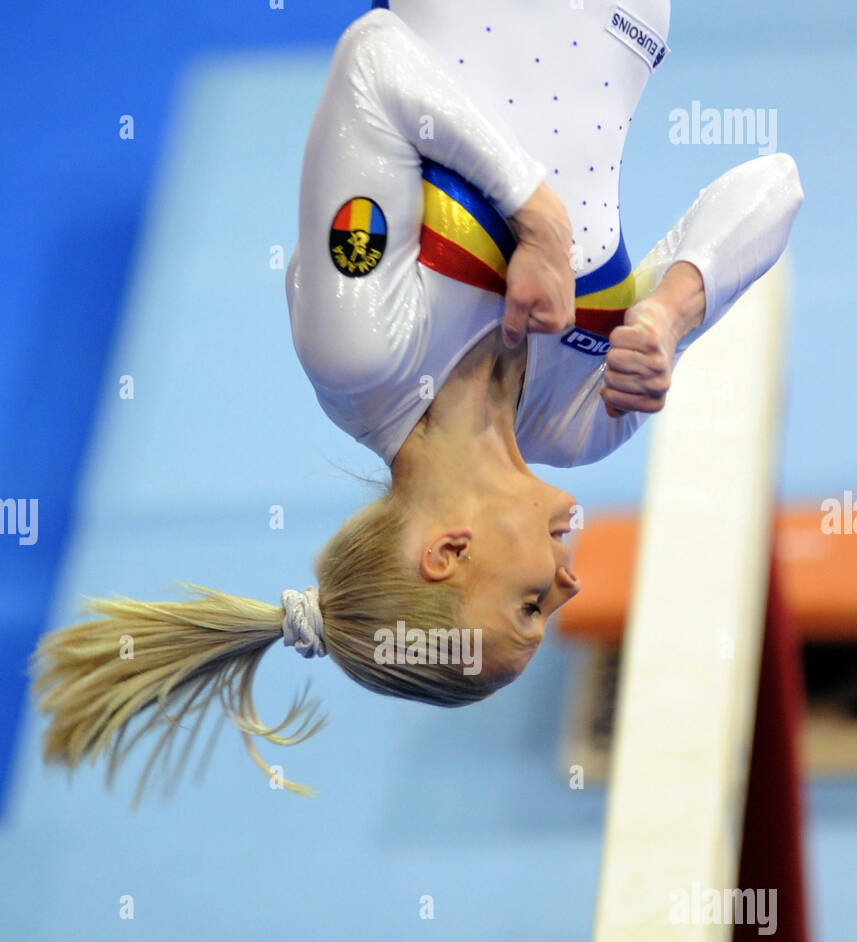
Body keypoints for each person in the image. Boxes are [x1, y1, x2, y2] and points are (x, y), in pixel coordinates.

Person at [31, 0, 804, 799]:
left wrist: (536, 219)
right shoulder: (582, 420)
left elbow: (372, 57)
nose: (569, 586)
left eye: (530, 604)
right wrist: (673, 310)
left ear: (448, 553)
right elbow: (774, 182)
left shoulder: (361, 354)